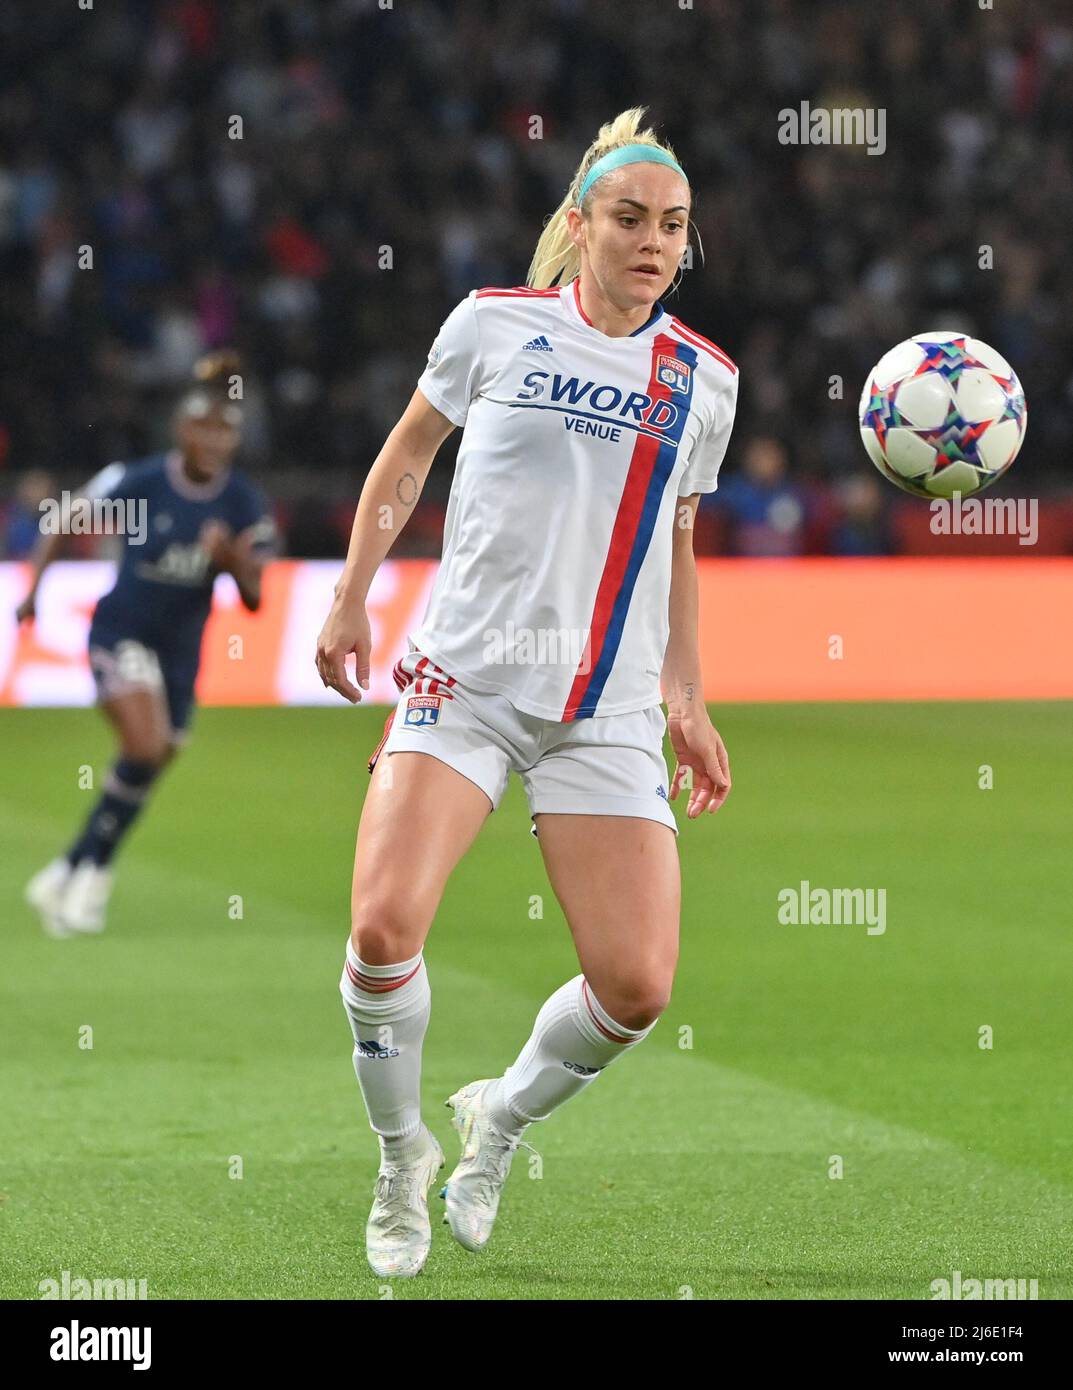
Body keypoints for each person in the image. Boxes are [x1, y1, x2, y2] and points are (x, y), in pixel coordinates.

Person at [315, 107, 739, 1278]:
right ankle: (399, 1152)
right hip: (466, 677)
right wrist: (352, 595)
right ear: (579, 223)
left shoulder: (704, 380)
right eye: (629, 219)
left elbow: (679, 541)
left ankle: (493, 1120)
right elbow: (406, 454)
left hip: (602, 706)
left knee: (637, 985)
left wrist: (685, 697)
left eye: (673, 226)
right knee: (380, 926)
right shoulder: (493, 327)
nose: (653, 242)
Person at [18, 352, 277, 937]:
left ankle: (70, 870)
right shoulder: (141, 482)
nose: (216, 442)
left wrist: (233, 561)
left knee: (148, 762)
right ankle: (94, 881)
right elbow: (64, 521)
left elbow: (258, 596)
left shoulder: (243, 504)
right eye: (206, 429)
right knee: (145, 744)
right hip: (122, 633)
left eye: (227, 433)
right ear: (183, 431)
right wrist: (34, 593)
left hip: (182, 654)